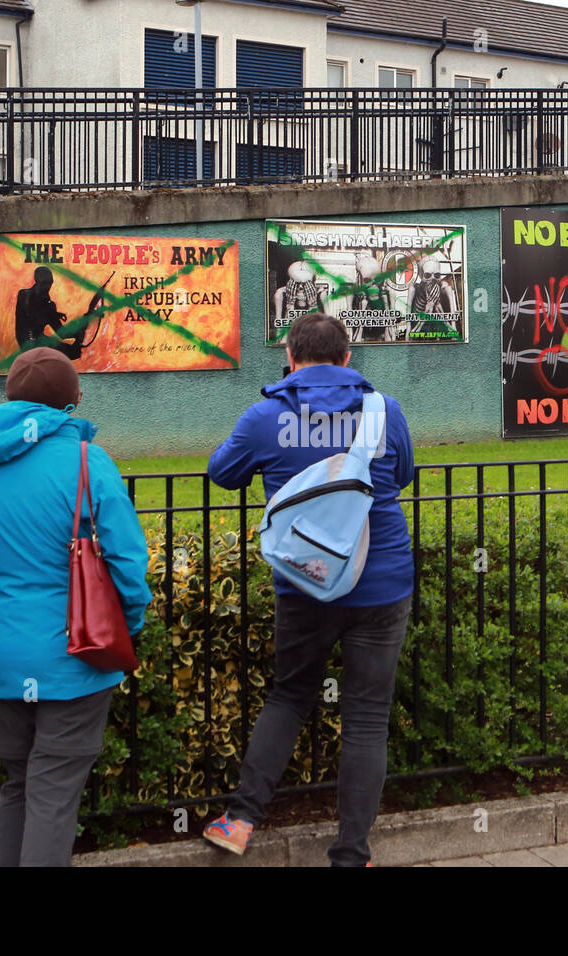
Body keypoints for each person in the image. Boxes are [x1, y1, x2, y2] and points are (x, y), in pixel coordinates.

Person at [203, 313, 414, 867]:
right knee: (367, 717)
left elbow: (220, 472)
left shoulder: (267, 414)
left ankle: (241, 820)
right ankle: (351, 854)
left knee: (290, 696)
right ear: (348, 359)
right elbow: (405, 473)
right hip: (382, 579)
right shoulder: (382, 410)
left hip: (305, 583)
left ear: (290, 358)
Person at [0, 347, 151, 867]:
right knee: (54, 795)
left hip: (2, 656)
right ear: (71, 401)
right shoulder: (87, 461)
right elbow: (127, 561)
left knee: (19, 785)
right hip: (75, 658)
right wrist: (128, 623)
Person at [15, 266, 84, 360]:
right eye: (44, 283)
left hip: (40, 341)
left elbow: (61, 333)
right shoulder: (24, 295)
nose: (47, 287)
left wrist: (78, 333)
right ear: (37, 281)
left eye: (49, 283)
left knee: (74, 352)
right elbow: (31, 316)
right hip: (29, 343)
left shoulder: (48, 305)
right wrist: (52, 313)